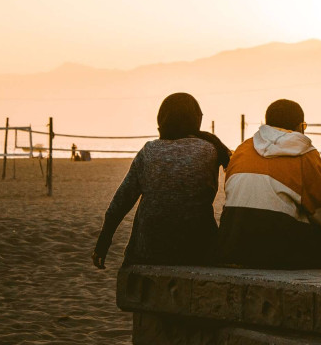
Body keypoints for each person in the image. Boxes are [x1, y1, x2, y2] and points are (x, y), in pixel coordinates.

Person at [93, 93, 232, 269]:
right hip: (198, 250)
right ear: (197, 119)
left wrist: (103, 243)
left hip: (148, 252)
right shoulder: (211, 149)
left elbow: (121, 202)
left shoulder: (149, 150)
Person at [217, 99, 321, 269]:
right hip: (279, 248)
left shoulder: (242, 149)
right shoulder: (305, 153)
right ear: (300, 126)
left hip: (234, 244)